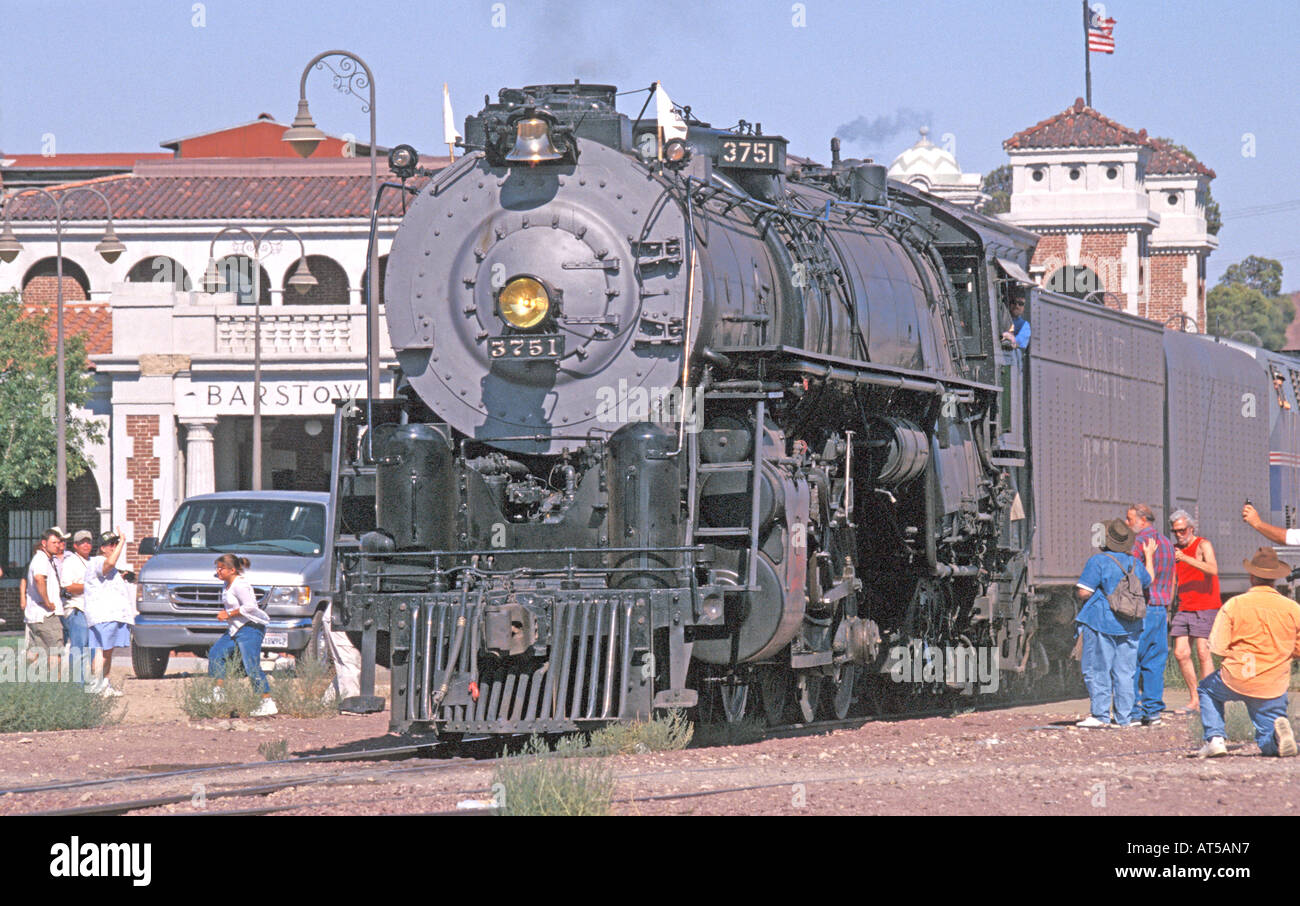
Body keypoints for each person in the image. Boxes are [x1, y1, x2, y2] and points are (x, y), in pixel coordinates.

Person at [1194, 547, 1300, 758]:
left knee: (1207, 689)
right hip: (1272, 682)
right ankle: (1278, 737)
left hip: (1236, 675)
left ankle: (1215, 739)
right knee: (1266, 738)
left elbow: (1217, 646)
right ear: (1276, 579)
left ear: (1251, 576)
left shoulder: (1234, 604)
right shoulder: (1292, 608)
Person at [1074, 518, 1154, 728]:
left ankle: (1100, 715)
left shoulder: (1098, 561)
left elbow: (1084, 592)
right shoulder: (1135, 562)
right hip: (1131, 624)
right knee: (1125, 673)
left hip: (1102, 622)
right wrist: (1149, 558)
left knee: (1097, 668)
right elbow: (1148, 581)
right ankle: (1124, 718)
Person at [207, 554, 278, 717]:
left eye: (221, 568)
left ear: (232, 570)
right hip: (235, 629)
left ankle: (266, 701)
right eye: (217, 568)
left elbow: (251, 606)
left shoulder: (240, 585)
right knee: (216, 653)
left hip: (250, 628)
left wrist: (229, 613)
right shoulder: (227, 583)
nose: (218, 571)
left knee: (251, 665)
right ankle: (218, 693)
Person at [1124, 503, 1175, 726]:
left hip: (1142, 607)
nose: (1127, 523)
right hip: (1160, 608)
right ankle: (1153, 710)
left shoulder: (1138, 543)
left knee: (1132, 659)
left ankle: (1133, 711)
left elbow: (1135, 576)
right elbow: (1173, 577)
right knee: (1155, 662)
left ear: (1142, 521)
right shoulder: (1167, 543)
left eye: (1129, 519)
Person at [1168, 509, 1220, 714]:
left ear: (1191, 528)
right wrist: (1167, 605)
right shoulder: (1175, 550)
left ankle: (1208, 699)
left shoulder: (1203, 544)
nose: (1179, 535)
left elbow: (1213, 569)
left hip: (1205, 606)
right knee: (1181, 653)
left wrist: (1185, 558)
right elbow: (1174, 579)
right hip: (1184, 607)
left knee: (1203, 652)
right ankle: (1194, 697)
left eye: (1182, 530)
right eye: (1175, 532)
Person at [84, 530, 133, 697]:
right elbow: (109, 565)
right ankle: (95, 685)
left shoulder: (106, 564)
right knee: (101, 651)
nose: (114, 547)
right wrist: (123, 541)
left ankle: (104, 683)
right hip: (103, 614)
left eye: (116, 543)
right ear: (103, 548)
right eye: (111, 544)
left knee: (107, 651)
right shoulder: (98, 561)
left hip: (112, 614)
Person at [24, 528, 67, 674]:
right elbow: (38, 578)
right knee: (56, 651)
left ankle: (40, 685)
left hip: (38, 615)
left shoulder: (46, 559)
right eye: (53, 542)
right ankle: (55, 685)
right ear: (44, 543)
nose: (57, 545)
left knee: (40, 653)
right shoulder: (41, 559)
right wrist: (47, 601)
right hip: (46, 615)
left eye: (58, 542)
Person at [59, 530, 96, 686]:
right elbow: (67, 586)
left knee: (92, 649)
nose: (86, 545)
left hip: (92, 611)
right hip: (77, 609)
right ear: (75, 545)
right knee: (79, 649)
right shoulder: (71, 562)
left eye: (88, 541)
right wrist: (90, 586)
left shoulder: (93, 562)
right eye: (82, 542)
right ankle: (77, 685)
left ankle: (89, 681)